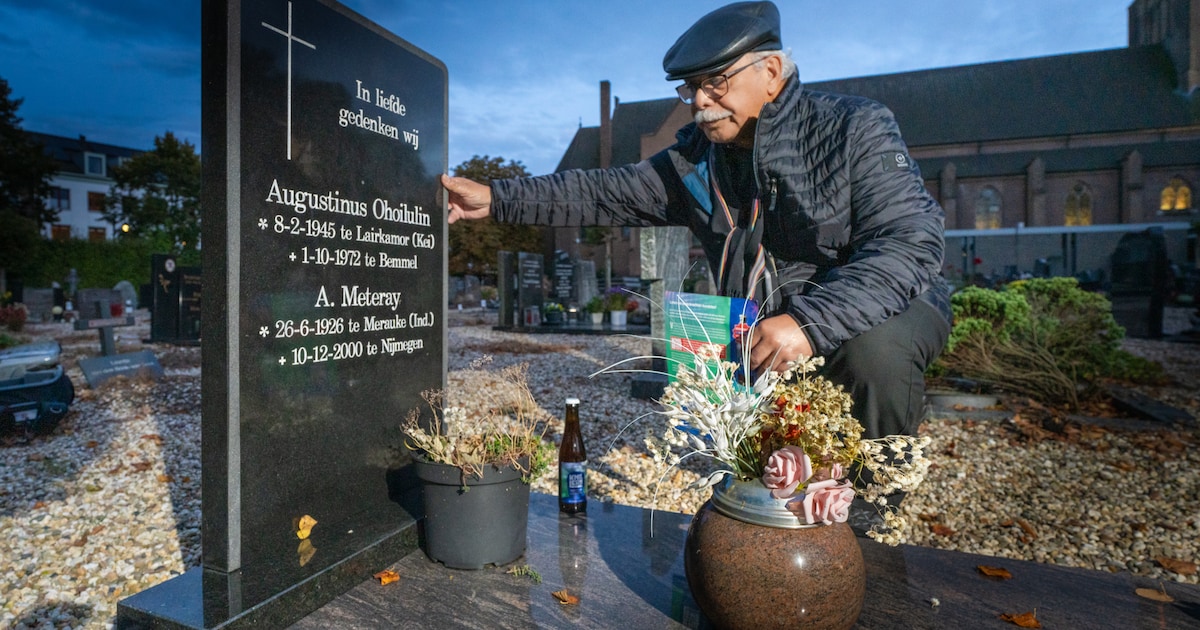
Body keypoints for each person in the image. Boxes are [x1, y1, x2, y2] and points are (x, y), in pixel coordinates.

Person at [442, 1, 951, 441]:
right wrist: (495, 196)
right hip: (764, 319)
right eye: (692, 89)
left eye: (716, 83)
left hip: (883, 304)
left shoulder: (855, 127)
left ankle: (867, 518)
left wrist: (807, 321)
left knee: (873, 354)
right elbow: (601, 192)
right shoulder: (695, 162)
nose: (702, 103)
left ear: (771, 73)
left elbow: (910, 242)